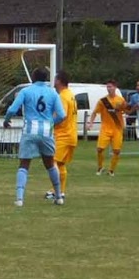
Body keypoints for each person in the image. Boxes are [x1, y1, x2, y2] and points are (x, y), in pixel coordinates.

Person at [2, 66, 66, 207]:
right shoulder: (53, 93)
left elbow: (12, 109)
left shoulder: (25, 91)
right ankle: (59, 196)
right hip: (46, 132)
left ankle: (19, 199)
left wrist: (6, 121)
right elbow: (62, 115)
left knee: (24, 165)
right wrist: (51, 124)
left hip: (30, 131)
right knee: (50, 164)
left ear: (33, 77)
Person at [45, 71, 79, 202]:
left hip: (63, 136)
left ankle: (55, 191)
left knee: (52, 163)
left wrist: (49, 123)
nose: (53, 82)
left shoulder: (63, 97)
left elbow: (61, 116)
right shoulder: (70, 95)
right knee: (60, 164)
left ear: (59, 81)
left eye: (55, 79)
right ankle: (61, 191)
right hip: (72, 135)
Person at [89, 81, 128, 175]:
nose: (109, 88)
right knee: (99, 149)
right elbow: (94, 112)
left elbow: (126, 109)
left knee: (117, 151)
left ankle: (111, 170)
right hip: (105, 128)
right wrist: (90, 123)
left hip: (117, 128)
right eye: (107, 87)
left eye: (110, 87)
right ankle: (100, 167)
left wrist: (123, 108)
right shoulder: (103, 101)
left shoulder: (121, 100)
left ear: (115, 87)